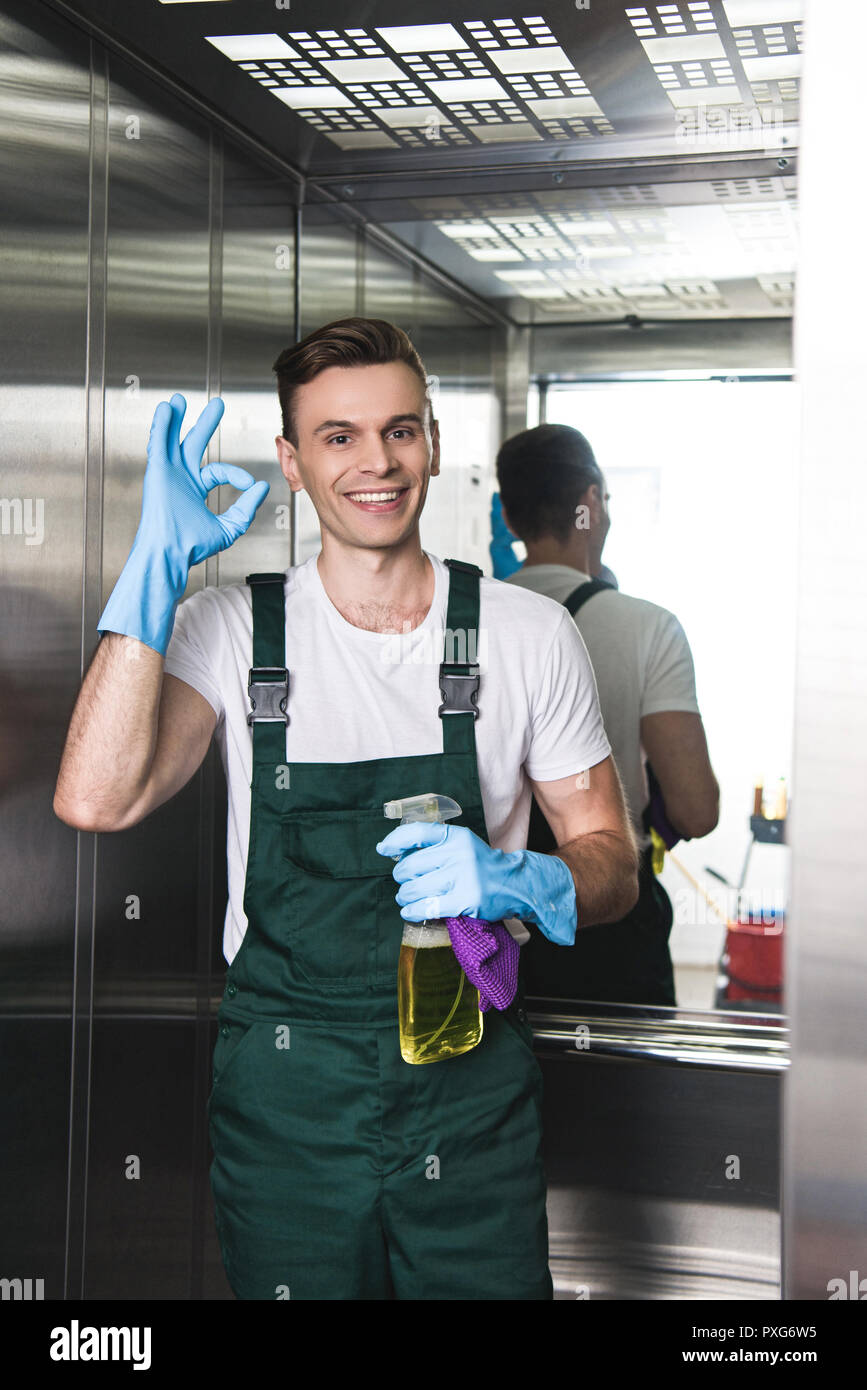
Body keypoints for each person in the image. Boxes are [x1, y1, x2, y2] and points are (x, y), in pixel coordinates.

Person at [53, 319, 638, 1301]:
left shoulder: (528, 636)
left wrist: (531, 880)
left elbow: (611, 859)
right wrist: (151, 568)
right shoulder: (230, 628)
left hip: (469, 1100)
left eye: (399, 431)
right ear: (291, 460)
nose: (377, 462)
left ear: (434, 444)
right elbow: (95, 797)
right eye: (338, 436)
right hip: (289, 1113)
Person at [495, 423, 719, 1007]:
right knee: (624, 1092)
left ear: (511, 517)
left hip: (493, 924)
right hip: (613, 916)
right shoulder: (649, 627)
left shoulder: (467, 621)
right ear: (590, 500)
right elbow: (696, 809)